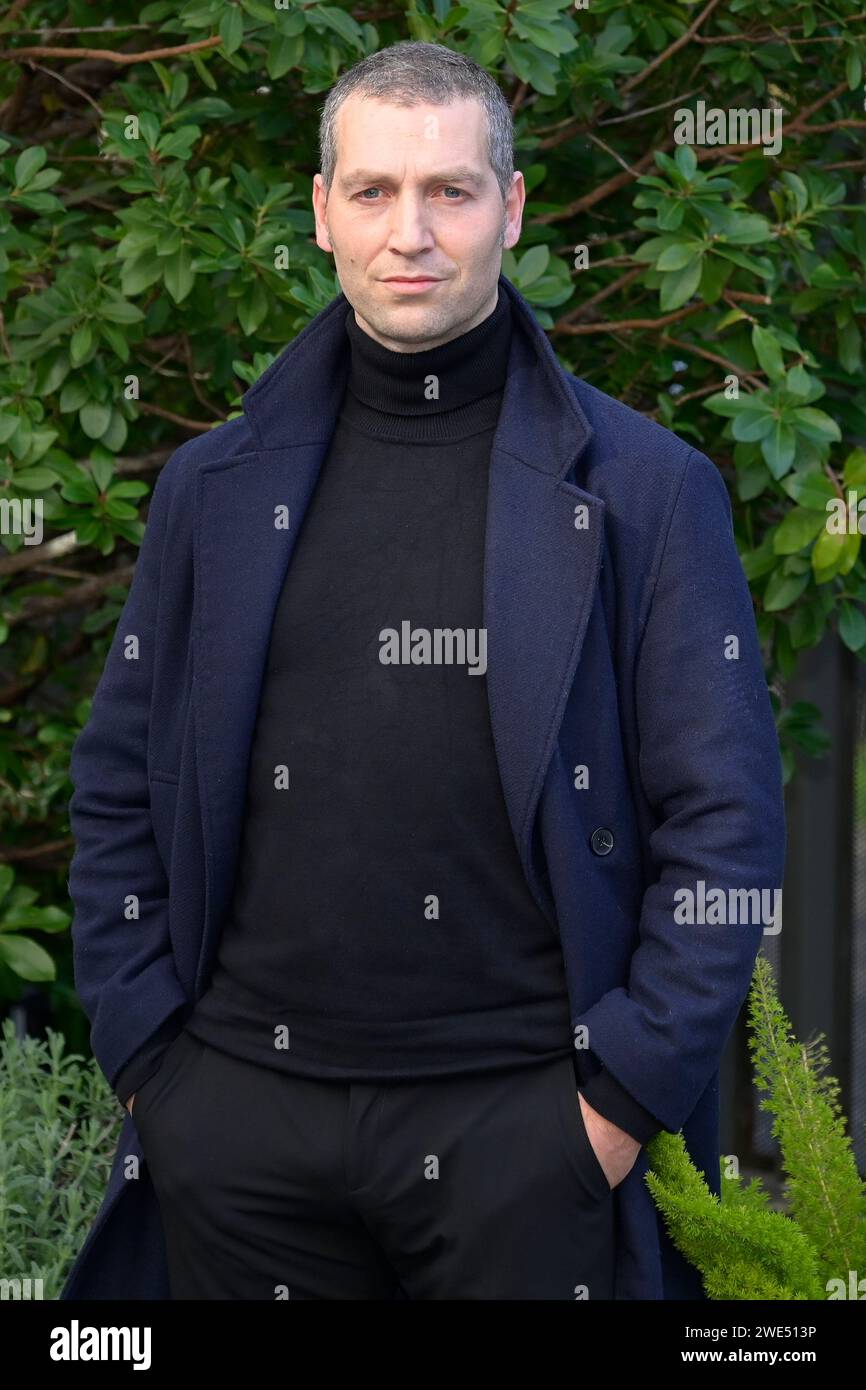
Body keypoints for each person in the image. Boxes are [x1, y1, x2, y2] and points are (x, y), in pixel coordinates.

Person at [60, 39, 785, 1301]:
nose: (412, 231)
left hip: (525, 1138)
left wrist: (612, 1102)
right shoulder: (210, 489)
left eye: (449, 191)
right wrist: (151, 1064)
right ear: (322, 214)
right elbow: (119, 779)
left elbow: (723, 825)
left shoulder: (645, 493)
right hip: (238, 1134)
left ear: (508, 209)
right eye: (374, 191)